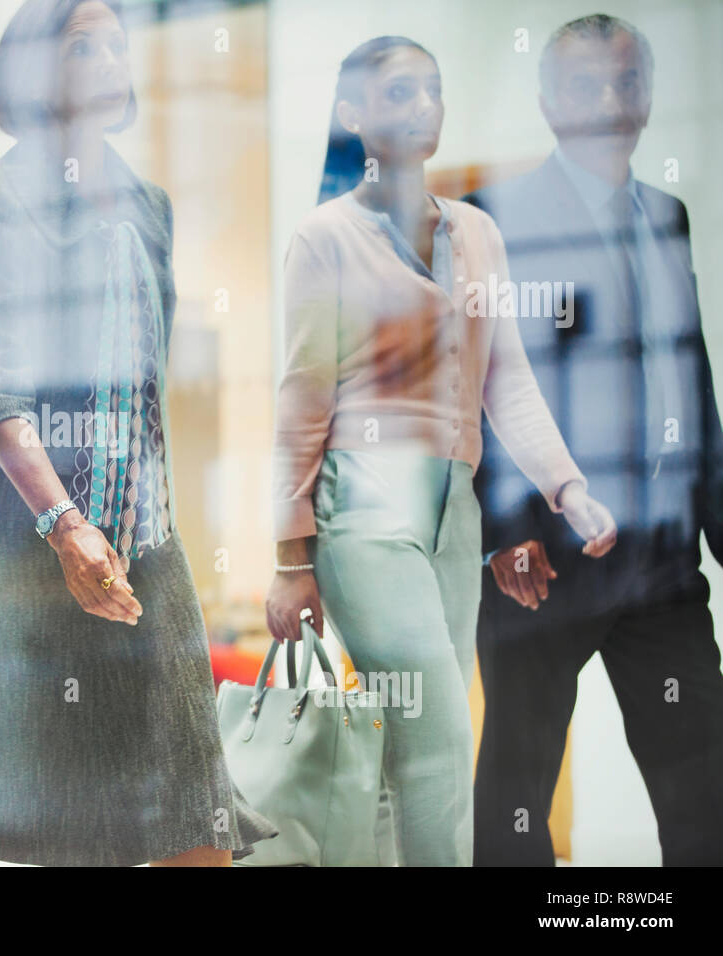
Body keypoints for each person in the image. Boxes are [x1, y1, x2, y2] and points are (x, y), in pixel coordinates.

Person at [0, 0, 276, 867]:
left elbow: (148, 387)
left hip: (141, 527)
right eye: (83, 43)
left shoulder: (150, 204)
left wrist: (128, 514)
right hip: (17, 524)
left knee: (190, 807)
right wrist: (62, 522)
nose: (111, 58)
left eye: (120, 44)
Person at [265, 36, 617, 866]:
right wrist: (289, 556)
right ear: (354, 114)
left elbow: (511, 384)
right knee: (438, 740)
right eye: (398, 93)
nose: (424, 106)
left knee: (400, 751)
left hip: (454, 512)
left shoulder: (478, 234)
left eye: (433, 90)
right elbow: (300, 401)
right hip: (364, 509)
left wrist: (568, 491)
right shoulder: (325, 238)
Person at [465, 14, 723, 866]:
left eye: (626, 82)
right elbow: (478, 388)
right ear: (547, 101)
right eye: (584, 85)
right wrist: (504, 533)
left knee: (705, 802)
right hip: (541, 558)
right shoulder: (494, 220)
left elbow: (688, 380)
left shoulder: (668, 216)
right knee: (516, 799)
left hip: (662, 560)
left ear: (648, 96)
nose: (609, 101)